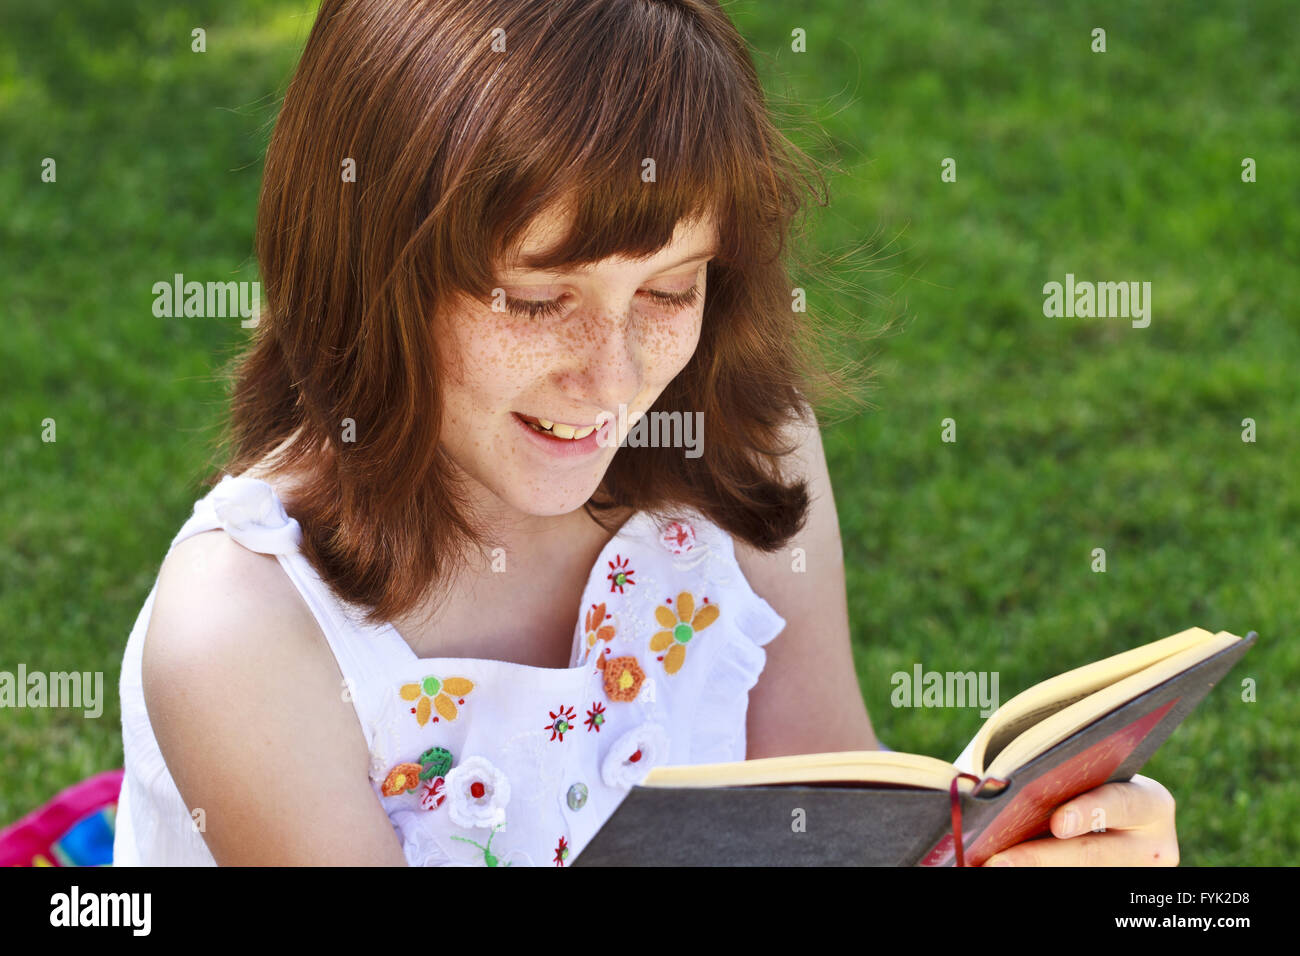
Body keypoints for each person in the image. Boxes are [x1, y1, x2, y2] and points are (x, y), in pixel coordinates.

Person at [113, 0, 1178, 866]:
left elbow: (834, 819)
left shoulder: (742, 453)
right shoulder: (244, 632)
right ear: (365, 274)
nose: (611, 379)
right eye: (535, 302)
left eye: (669, 290)